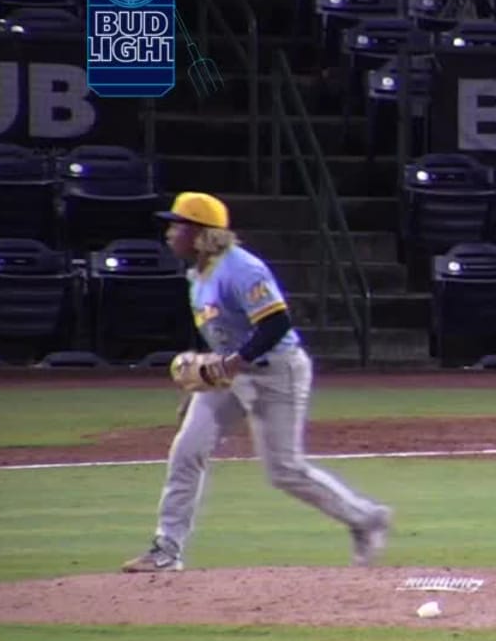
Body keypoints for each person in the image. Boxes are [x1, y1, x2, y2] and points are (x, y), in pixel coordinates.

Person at [122, 193, 393, 573]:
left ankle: (366, 519)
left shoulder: (242, 269)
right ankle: (167, 549)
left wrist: (232, 364)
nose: (169, 233)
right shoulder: (198, 273)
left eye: (178, 225)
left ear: (201, 233)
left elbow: (276, 323)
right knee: (187, 450)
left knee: (283, 469)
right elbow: (222, 331)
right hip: (231, 371)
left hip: (276, 370)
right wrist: (201, 383)